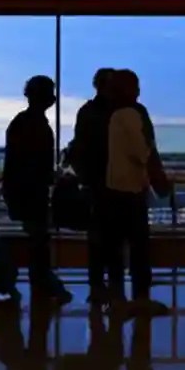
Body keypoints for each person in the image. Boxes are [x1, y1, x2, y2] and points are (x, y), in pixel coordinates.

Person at [104, 69, 170, 316]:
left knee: (116, 248)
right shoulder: (131, 115)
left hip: (114, 189)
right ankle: (140, 297)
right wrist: (159, 178)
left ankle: (117, 297)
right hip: (130, 190)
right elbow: (142, 152)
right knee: (139, 247)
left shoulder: (113, 116)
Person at [1, 75, 72, 304]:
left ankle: (41, 285)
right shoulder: (37, 126)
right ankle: (43, 284)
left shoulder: (21, 122)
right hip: (32, 193)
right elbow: (35, 165)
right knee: (39, 242)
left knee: (36, 241)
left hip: (22, 192)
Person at [70, 67, 116, 305]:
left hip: (95, 183)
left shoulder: (87, 112)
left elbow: (79, 147)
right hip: (113, 183)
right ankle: (113, 286)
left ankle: (97, 286)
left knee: (97, 239)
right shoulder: (120, 112)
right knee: (113, 239)